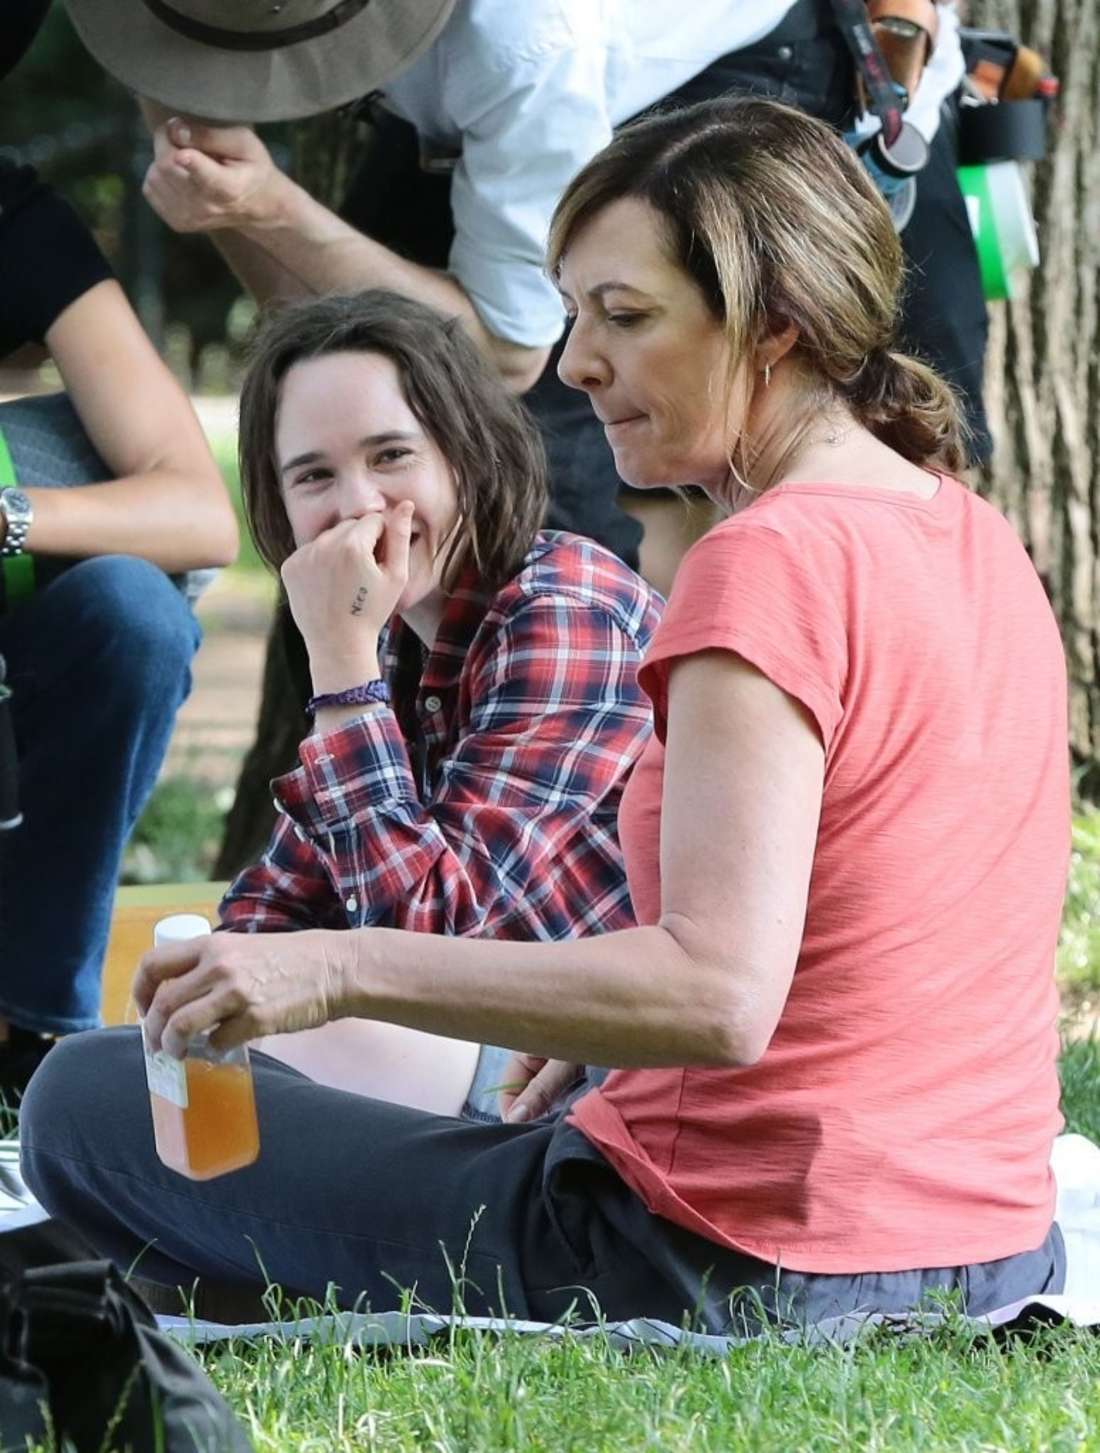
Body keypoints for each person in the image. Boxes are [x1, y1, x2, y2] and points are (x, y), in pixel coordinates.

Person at [21, 97, 1068, 1334]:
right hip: (982, 1238)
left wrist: (331, 965)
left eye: (622, 318)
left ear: (774, 326)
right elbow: (853, 922)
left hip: (728, 1250)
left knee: (80, 1102)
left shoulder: (763, 558)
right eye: (574, 315)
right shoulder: (963, 527)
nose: (574, 364)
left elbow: (719, 995)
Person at [61, 0, 985, 586]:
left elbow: (508, 352)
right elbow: (316, 326)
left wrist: (270, 207)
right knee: (348, 382)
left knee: (536, 477)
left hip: (751, 69)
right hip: (467, 102)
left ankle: (580, 785)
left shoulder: (524, 40)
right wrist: (228, 195)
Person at [199, 289, 660, 1119]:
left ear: (465, 455)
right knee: (118, 1073)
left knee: (246, 1056)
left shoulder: (563, 608)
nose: (357, 507)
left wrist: (338, 670)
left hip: (584, 1089)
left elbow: (434, 948)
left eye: (390, 456)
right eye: (314, 475)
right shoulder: (385, 642)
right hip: (451, 1062)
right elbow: (272, 908)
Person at [0, 5, 239, 1091]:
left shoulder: (13, 212)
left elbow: (199, 513)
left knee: (131, 616)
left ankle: (27, 1036)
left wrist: (7, 513)